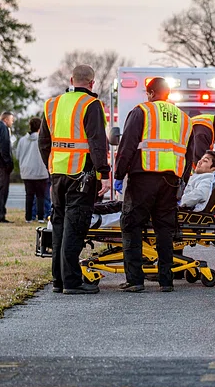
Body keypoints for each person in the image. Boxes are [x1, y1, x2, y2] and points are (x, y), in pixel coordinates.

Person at [114, 77, 193, 293]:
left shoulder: (142, 111)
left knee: (131, 225)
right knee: (164, 230)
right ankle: (166, 281)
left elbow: (127, 145)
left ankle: (135, 280)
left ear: (150, 93)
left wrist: (119, 174)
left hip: (143, 178)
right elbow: (189, 155)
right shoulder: (184, 119)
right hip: (170, 181)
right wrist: (181, 181)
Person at [39, 65, 111, 295]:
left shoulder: (52, 104)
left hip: (58, 174)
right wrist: (104, 174)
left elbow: (43, 142)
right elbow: (97, 142)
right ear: (92, 83)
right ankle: (72, 281)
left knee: (59, 226)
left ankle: (59, 280)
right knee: (75, 228)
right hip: (82, 175)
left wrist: (52, 167)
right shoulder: (91, 105)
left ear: (71, 80)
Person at [16, 117, 50, 223]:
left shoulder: (22, 140)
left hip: (27, 172)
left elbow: (18, 155)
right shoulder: (43, 139)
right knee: (41, 196)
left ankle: (28, 217)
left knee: (29, 195)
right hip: (40, 172)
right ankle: (40, 217)